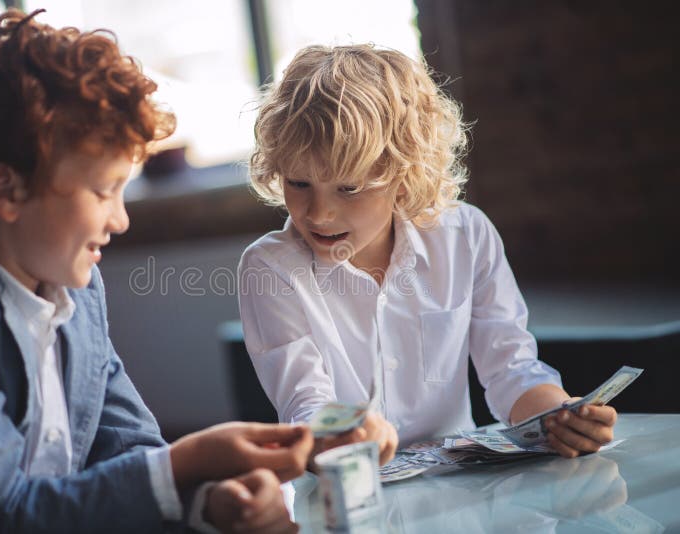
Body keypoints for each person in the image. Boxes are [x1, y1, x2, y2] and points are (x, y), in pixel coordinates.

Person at [0, 10, 312, 533]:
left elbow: (130, 450)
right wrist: (187, 463)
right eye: (103, 191)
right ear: (6, 190)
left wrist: (215, 500)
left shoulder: (76, 294)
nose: (120, 219)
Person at [238, 44, 616, 462]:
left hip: (463, 505)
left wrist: (560, 417)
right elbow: (306, 404)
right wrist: (344, 433)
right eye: (298, 183)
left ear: (405, 174)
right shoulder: (271, 269)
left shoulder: (465, 236)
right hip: (345, 493)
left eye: (348, 188)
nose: (319, 213)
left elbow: (511, 368)